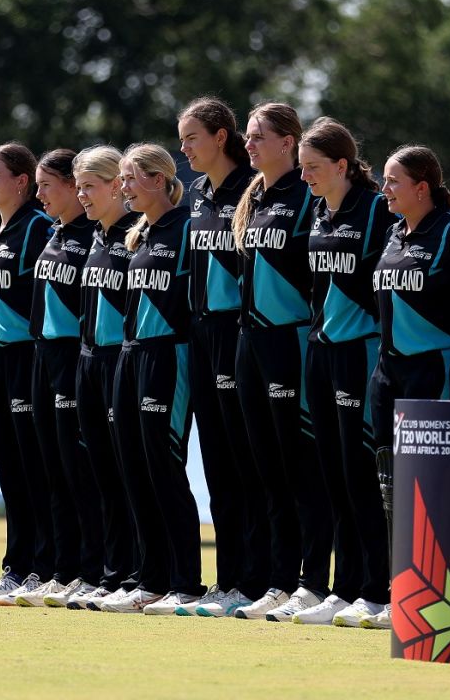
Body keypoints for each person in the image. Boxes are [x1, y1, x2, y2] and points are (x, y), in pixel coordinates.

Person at [230, 103, 333, 623]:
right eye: (247, 136)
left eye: (257, 137)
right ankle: (279, 581)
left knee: (301, 468)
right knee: (266, 468)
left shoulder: (306, 196)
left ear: (288, 142)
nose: (247, 145)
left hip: (292, 342)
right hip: (250, 342)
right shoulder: (255, 198)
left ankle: (313, 584)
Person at [294, 118, 397, 626]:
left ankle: (376, 589)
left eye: (313, 167)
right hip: (321, 350)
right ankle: (343, 588)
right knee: (331, 473)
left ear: (342, 165)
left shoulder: (375, 208)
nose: (305, 176)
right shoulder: (317, 209)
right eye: (302, 168)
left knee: (360, 476)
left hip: (361, 351)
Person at [366, 145, 450, 628]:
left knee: (432, 485)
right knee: (390, 484)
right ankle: (400, 591)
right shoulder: (392, 233)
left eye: (393, 181)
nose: (384, 189)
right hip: (387, 373)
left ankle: (438, 595)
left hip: (434, 369)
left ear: (422, 187)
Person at [102, 143, 206, 614]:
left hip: (169, 355)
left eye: (130, 178)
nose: (123, 187)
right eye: (121, 179)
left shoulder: (185, 227)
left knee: (164, 468)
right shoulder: (139, 233)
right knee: (133, 469)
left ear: (159, 179)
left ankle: (185, 582)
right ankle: (150, 580)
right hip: (131, 355)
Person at [175, 97, 267, 618]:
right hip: (201, 336)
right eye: (182, 139)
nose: (185, 148)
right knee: (215, 463)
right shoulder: (197, 194)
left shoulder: (250, 190)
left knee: (243, 460)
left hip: (239, 333)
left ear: (220, 137)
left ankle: (254, 579)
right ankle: (228, 578)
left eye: (192, 138)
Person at [18, 149, 106, 608]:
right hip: (44, 354)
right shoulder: (54, 233)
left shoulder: (94, 234)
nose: (39, 195)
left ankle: (90, 570)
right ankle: (61, 569)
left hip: (75, 355)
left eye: (46, 185)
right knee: (51, 469)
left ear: (73, 186)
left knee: (78, 470)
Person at [0, 143, 54, 606]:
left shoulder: (37, 227)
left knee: (31, 468)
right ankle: (16, 568)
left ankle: (42, 567)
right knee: (8, 469)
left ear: (22, 181)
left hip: (26, 358)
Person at [71, 145, 141, 611]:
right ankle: (110, 573)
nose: (82, 196)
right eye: (78, 188)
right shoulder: (95, 236)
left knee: (126, 475)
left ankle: (136, 574)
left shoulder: (135, 236)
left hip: (122, 362)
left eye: (89, 187)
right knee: (99, 476)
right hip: (89, 361)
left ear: (116, 185)